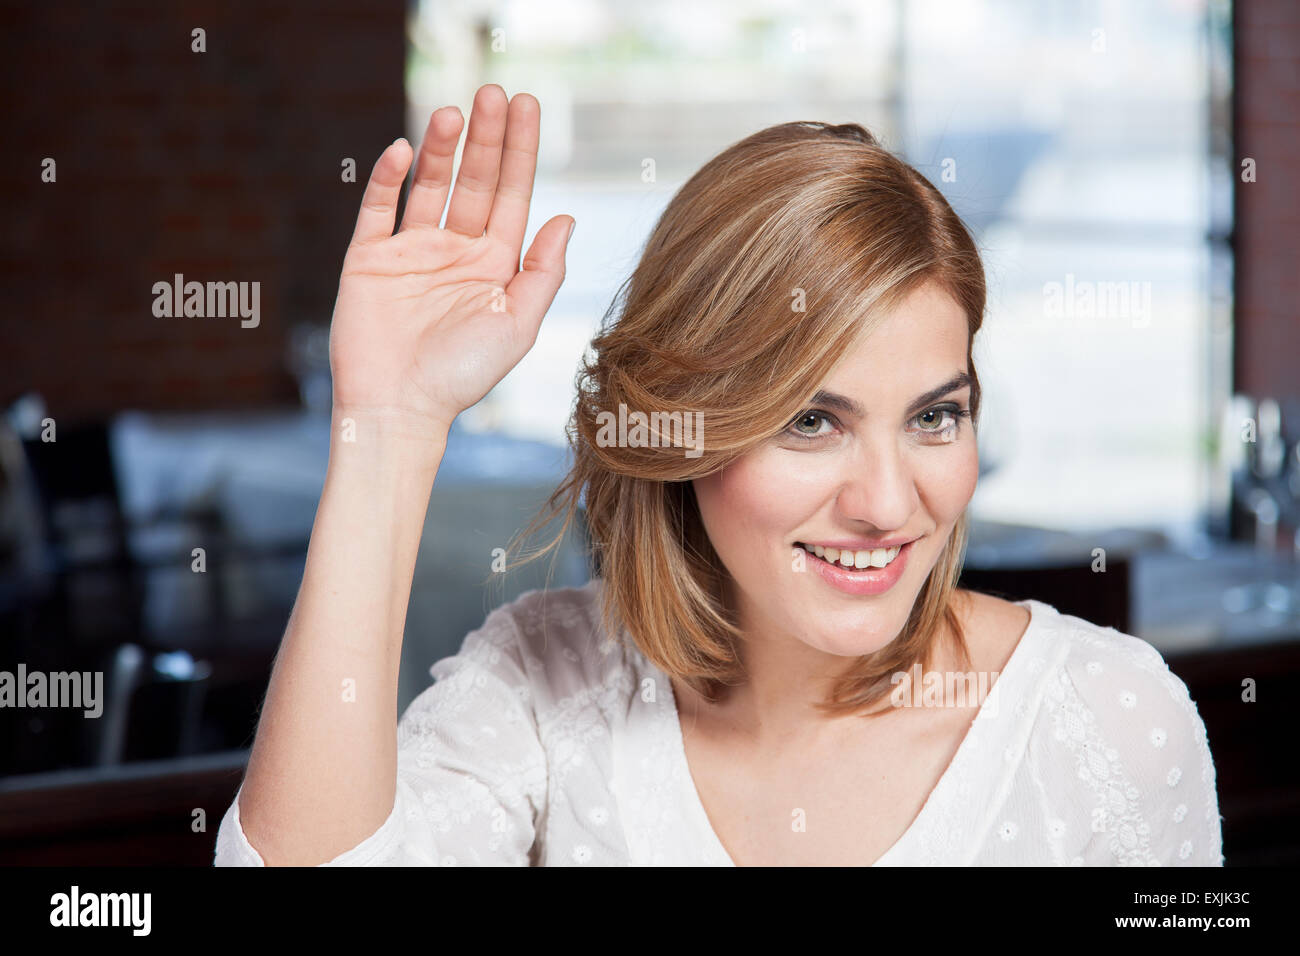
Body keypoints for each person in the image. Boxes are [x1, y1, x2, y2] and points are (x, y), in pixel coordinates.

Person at [214, 84, 1223, 866]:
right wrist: (386, 426)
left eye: (933, 415)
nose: (883, 503)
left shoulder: (1112, 719)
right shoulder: (543, 688)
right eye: (810, 420)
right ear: (681, 431)